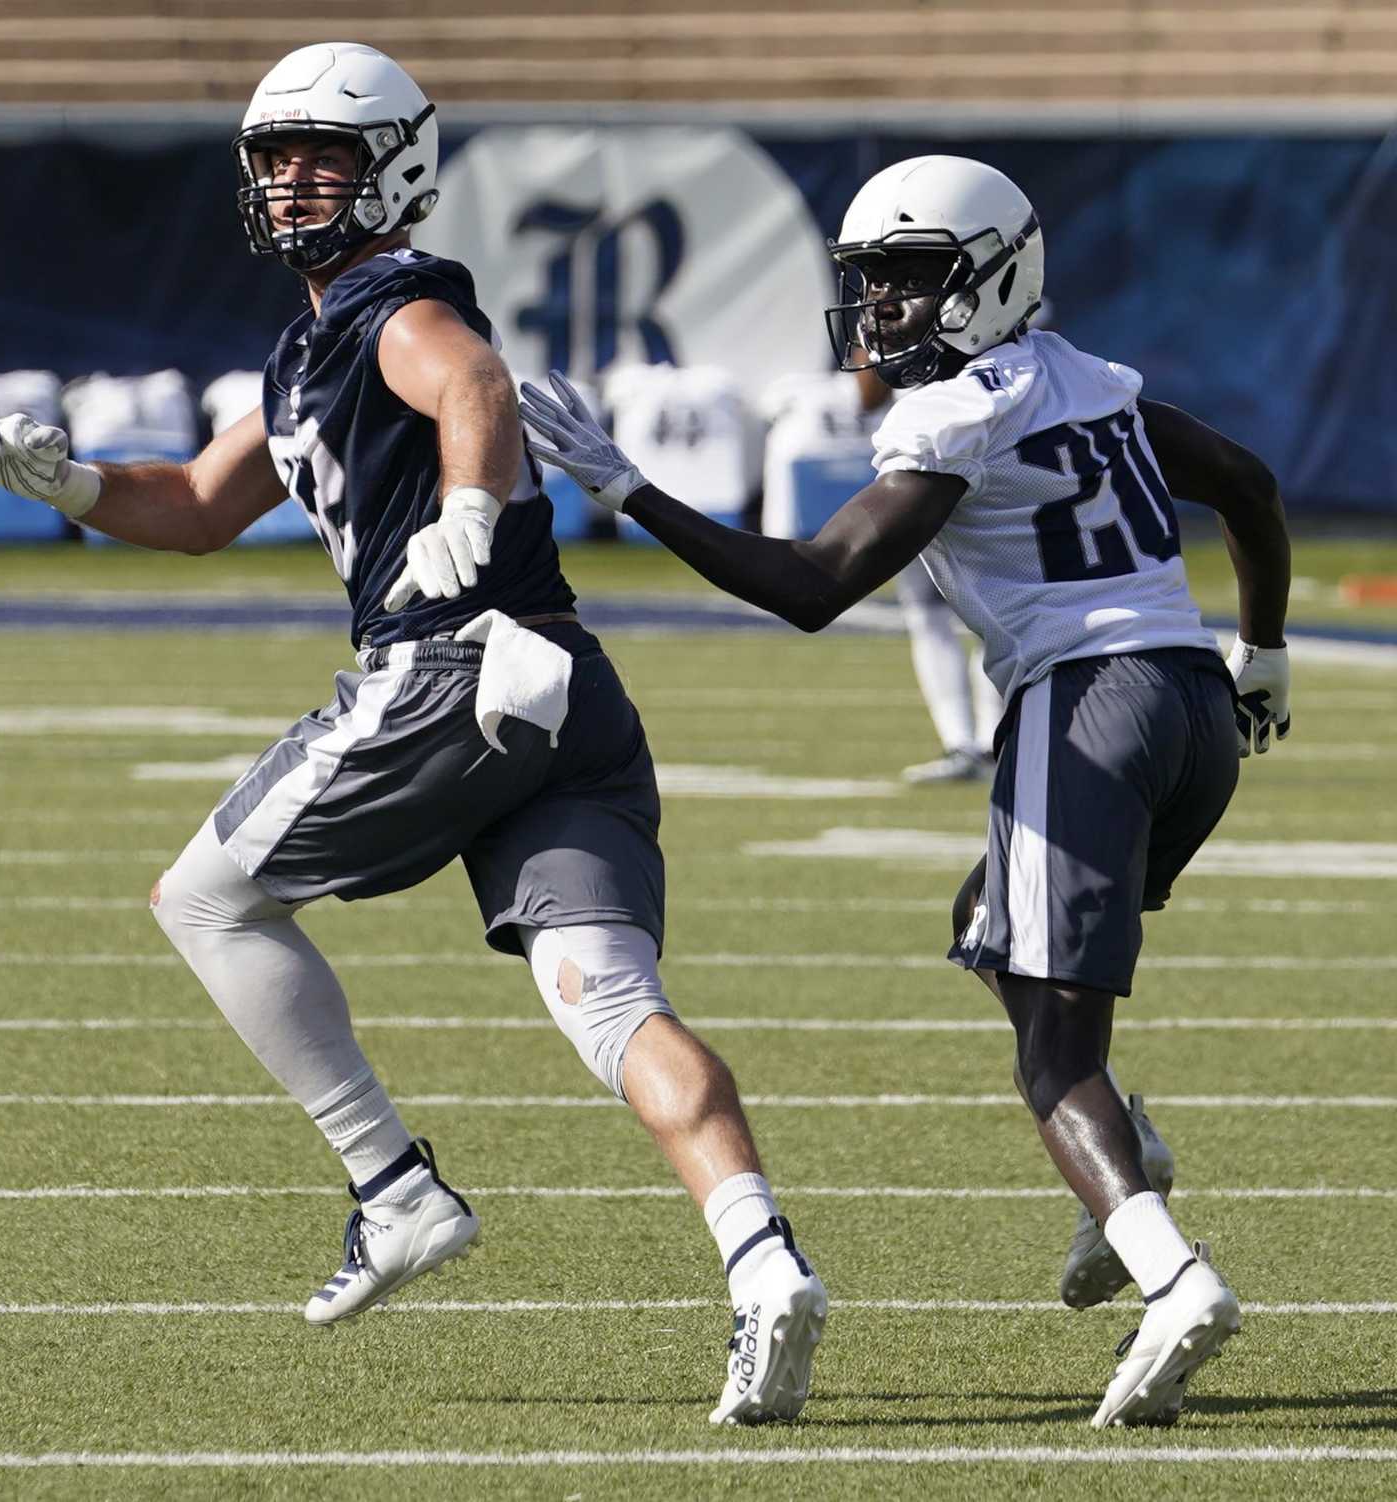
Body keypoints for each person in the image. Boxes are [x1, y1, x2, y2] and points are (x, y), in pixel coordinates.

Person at [0, 42, 827, 1426]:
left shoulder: (390, 303)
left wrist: (471, 511)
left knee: (202, 896)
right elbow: (192, 500)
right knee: (613, 1003)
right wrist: (65, 481)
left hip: (454, 666)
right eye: (277, 159)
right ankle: (763, 1256)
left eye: (326, 158)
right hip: (563, 689)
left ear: (397, 169)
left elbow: (472, 385)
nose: (295, 183)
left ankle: (394, 1185)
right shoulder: (315, 345)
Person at [520, 154, 1292, 1429]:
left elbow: (812, 584)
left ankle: (1171, 1273)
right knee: (988, 919)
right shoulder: (1093, 380)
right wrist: (1259, 653)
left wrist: (626, 488)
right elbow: (1251, 488)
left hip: (1082, 707)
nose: (880, 308)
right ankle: (1131, 1154)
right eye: (869, 281)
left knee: (1054, 1054)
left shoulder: (952, 418)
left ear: (992, 276)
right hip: (1187, 703)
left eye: (910, 280)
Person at [762, 362, 1001, 782]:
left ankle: (977, 743)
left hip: (950, 470)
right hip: (980, 472)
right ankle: (980, 743)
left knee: (959, 615)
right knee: (965, 612)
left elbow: (869, 393)